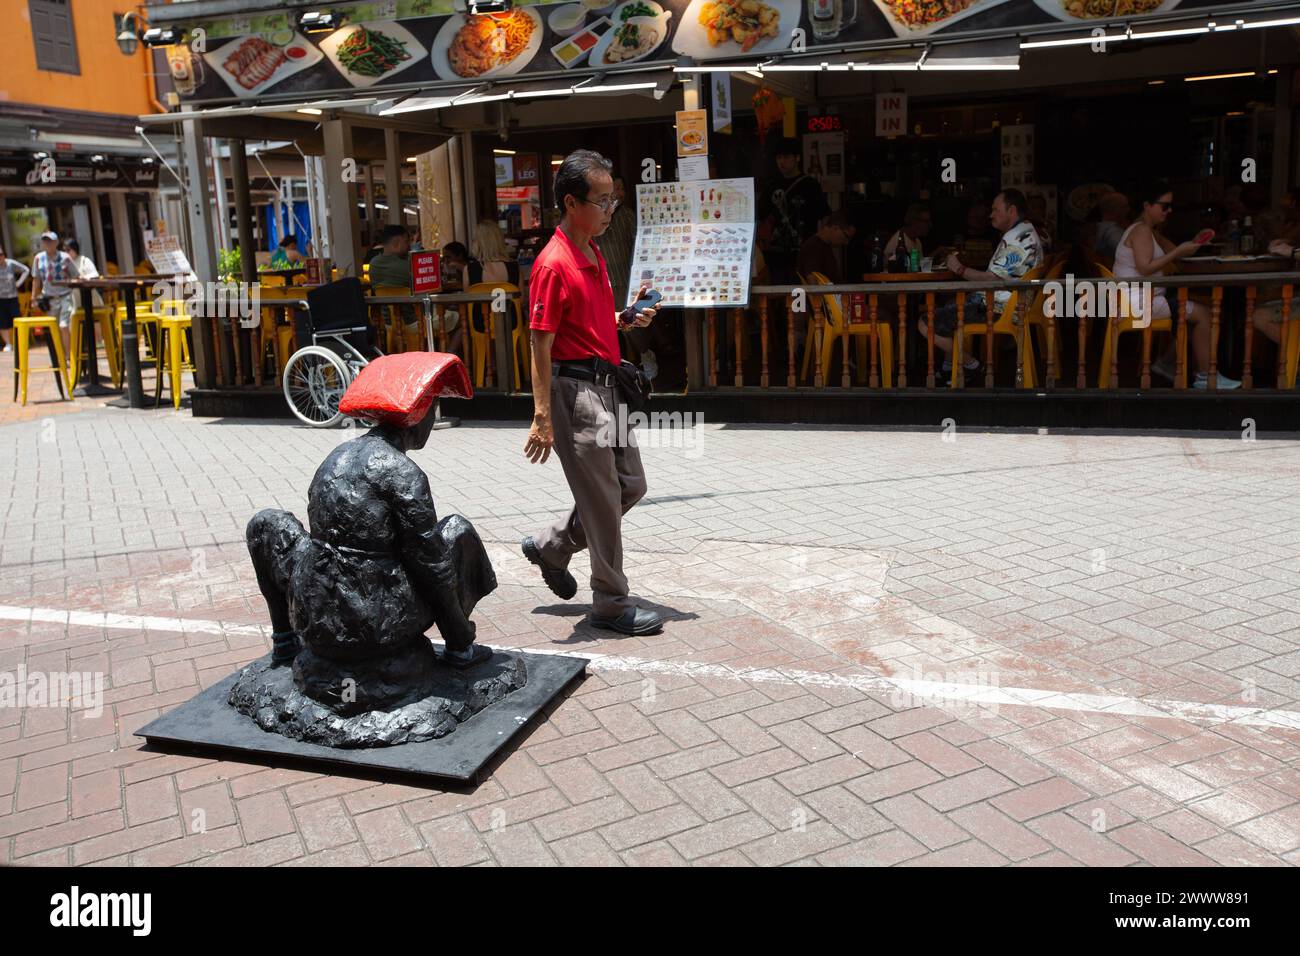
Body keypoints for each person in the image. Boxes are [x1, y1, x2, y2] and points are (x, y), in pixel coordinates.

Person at [246, 352, 496, 670]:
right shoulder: (404, 473)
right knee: (457, 531)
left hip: (314, 614)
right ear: (420, 414)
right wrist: (460, 630)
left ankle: (284, 641)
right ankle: (460, 649)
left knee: (266, 523)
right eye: (434, 409)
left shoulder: (337, 456)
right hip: (375, 627)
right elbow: (431, 564)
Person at [521, 148, 663, 637]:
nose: (609, 210)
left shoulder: (593, 250)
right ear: (569, 202)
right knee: (603, 498)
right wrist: (541, 415)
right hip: (575, 394)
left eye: (612, 201)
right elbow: (539, 341)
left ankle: (553, 545)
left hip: (609, 385)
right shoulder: (552, 263)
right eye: (601, 202)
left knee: (631, 486)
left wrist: (626, 318)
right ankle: (610, 602)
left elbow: (586, 324)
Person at [1114, 181, 1240, 390]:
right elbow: (1145, 268)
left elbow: (1174, 251)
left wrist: (1194, 243)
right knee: (1203, 314)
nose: (1169, 210)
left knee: (1194, 316)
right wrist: (1177, 252)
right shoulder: (1142, 231)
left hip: (1140, 299)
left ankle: (1167, 363)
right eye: (1165, 206)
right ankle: (1206, 377)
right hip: (1139, 303)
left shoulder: (1147, 230)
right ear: (1147, 205)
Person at [919, 190, 1041, 383]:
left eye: (995, 209)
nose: (990, 215)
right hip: (1006, 302)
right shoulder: (1024, 231)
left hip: (998, 307)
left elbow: (991, 279)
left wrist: (959, 268)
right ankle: (949, 368)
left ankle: (972, 366)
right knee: (950, 306)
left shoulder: (1018, 240)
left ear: (1012, 211)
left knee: (926, 323)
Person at [759, 138, 829, 283]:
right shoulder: (771, 185)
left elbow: (824, 217)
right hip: (775, 255)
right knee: (780, 296)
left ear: (797, 158)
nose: (782, 162)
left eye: (786, 157)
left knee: (804, 296)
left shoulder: (810, 185)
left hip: (804, 254)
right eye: (778, 158)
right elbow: (761, 215)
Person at [30, 230, 80, 359]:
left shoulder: (65, 258)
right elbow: (36, 279)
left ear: (56, 242)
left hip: (65, 296)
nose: (48, 244)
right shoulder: (38, 258)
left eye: (50, 241)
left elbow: (76, 276)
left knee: (63, 326)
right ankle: (60, 357)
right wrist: (33, 299)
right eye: (45, 241)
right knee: (54, 329)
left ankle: (68, 357)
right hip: (49, 299)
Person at [595, 175, 637, 309]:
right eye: (616, 188)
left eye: (622, 189)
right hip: (602, 283)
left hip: (625, 281)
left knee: (631, 324)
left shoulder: (627, 215)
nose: (620, 193)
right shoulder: (594, 216)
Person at [797, 211, 851, 284]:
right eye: (846, 236)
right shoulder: (813, 247)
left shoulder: (825, 246)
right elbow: (812, 281)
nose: (846, 242)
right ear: (835, 228)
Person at [469, 219, 520, 287]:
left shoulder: (469, 270)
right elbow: (520, 297)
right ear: (500, 240)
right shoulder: (514, 268)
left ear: (477, 242)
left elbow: (468, 296)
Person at [883, 204, 932, 270]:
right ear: (914, 221)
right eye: (926, 221)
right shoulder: (900, 244)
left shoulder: (917, 240)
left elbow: (921, 267)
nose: (930, 225)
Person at [0, 246, 31, 352]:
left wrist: (19, 282)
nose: (0, 257)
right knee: (3, 322)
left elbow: (26, 270)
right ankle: (8, 344)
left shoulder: (10, 264)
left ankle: (20, 342)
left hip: (12, 297)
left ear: (4, 255)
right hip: (0, 299)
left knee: (17, 319)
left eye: (1, 255)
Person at [1093, 191, 1131, 264]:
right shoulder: (1112, 232)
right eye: (1124, 206)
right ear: (1115, 209)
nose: (1128, 209)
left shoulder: (1101, 226)